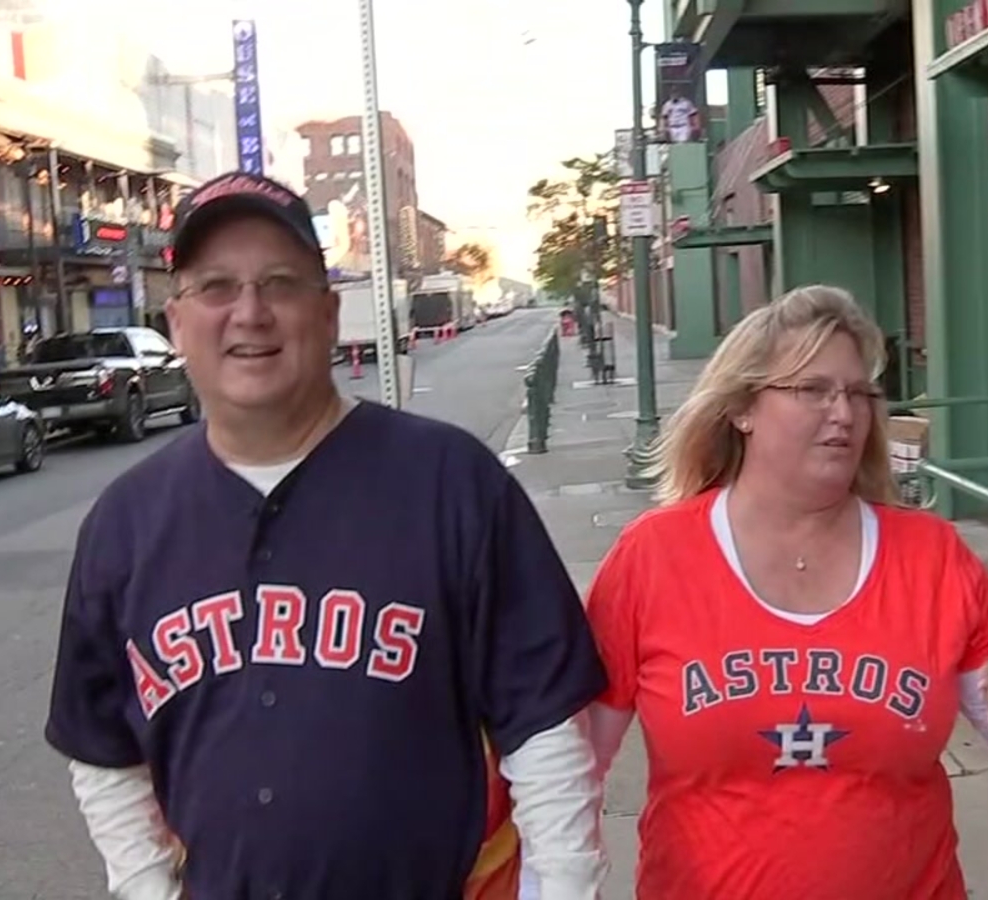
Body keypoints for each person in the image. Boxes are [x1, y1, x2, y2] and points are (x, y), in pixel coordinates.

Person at [43, 170, 610, 900]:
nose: (249, 314)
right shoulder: (126, 522)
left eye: (279, 284)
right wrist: (146, 889)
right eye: (216, 287)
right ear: (177, 321)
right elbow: (103, 753)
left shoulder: (450, 483)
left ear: (330, 312)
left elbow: (546, 736)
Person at [581, 284, 988, 899]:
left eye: (858, 393)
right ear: (743, 409)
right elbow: (579, 761)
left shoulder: (931, 555)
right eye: (812, 390)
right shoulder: (651, 558)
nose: (843, 413)